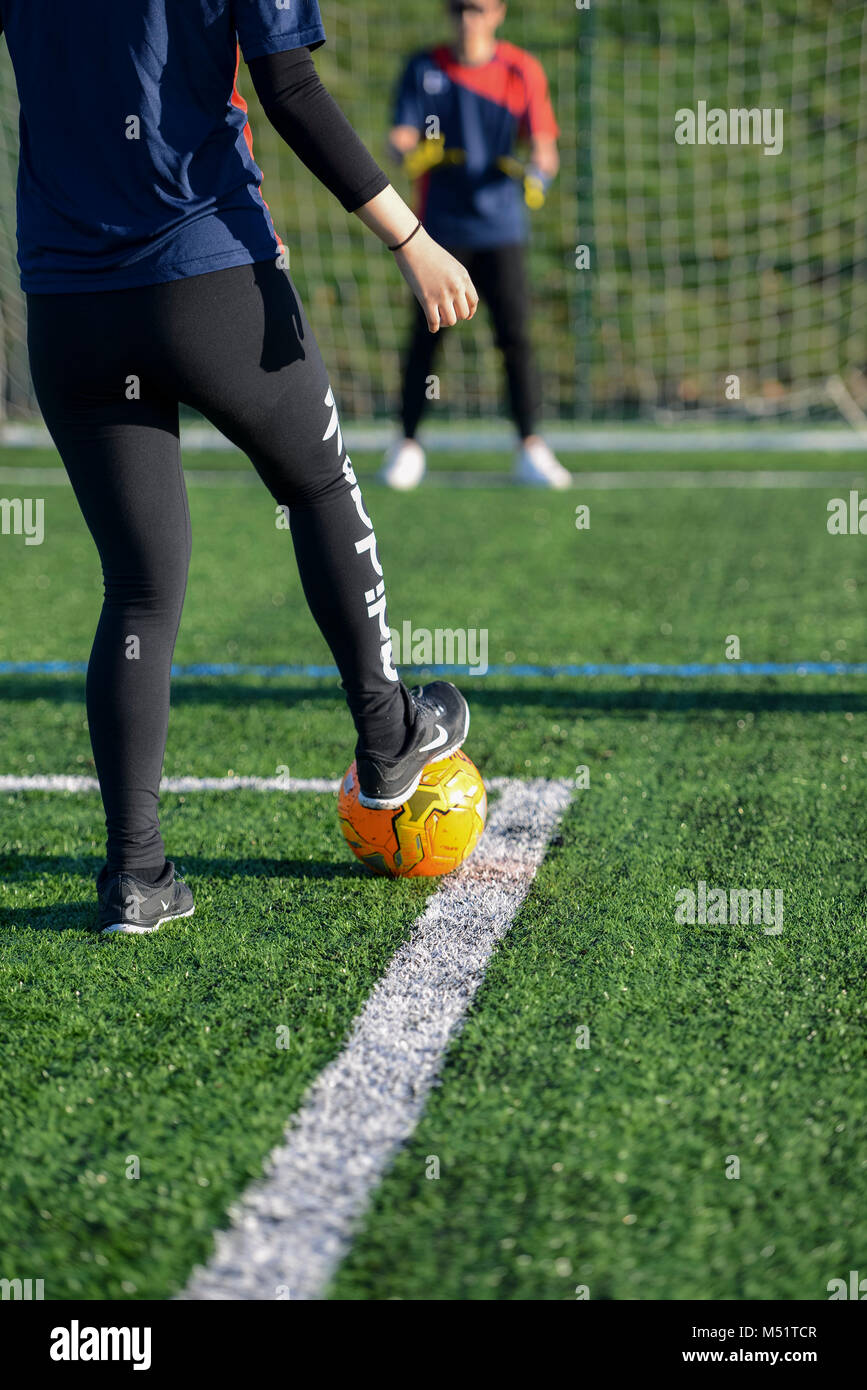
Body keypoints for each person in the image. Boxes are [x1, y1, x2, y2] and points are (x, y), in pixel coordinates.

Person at [0, 0, 478, 934]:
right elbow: (290, 87)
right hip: (209, 275)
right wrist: (410, 240)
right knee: (317, 484)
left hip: (68, 307)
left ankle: (136, 874)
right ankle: (388, 731)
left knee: (138, 590)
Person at [383, 0, 570, 491]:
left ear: (498, 13)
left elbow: (544, 147)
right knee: (427, 335)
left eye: (478, 8)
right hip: (439, 232)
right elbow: (398, 137)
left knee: (515, 337)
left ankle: (530, 445)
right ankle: (407, 444)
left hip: (501, 228)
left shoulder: (520, 69)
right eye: (460, 8)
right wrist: (411, 150)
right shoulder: (425, 68)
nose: (468, 18)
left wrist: (539, 176)